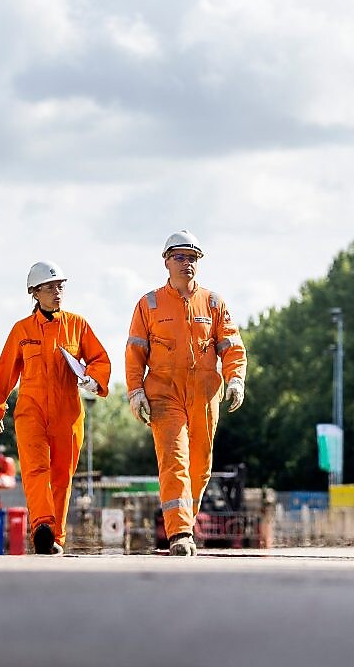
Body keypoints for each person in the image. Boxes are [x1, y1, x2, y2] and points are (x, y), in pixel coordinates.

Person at [125, 230, 246, 556]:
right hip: (163, 392)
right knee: (174, 459)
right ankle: (179, 533)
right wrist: (135, 390)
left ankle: (186, 525)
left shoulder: (213, 303)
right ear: (166, 262)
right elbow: (135, 351)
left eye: (192, 258)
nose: (186, 263)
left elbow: (232, 348)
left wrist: (236, 380)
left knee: (200, 466)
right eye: (179, 257)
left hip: (205, 394)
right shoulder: (149, 304)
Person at [0, 261, 111, 555]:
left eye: (60, 286)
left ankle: (56, 537)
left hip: (68, 411)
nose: (57, 292)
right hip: (31, 408)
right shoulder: (22, 330)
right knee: (35, 468)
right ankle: (42, 525)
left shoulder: (78, 325)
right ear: (34, 293)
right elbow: (6, 369)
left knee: (63, 474)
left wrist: (94, 380)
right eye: (50, 287)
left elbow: (100, 358)